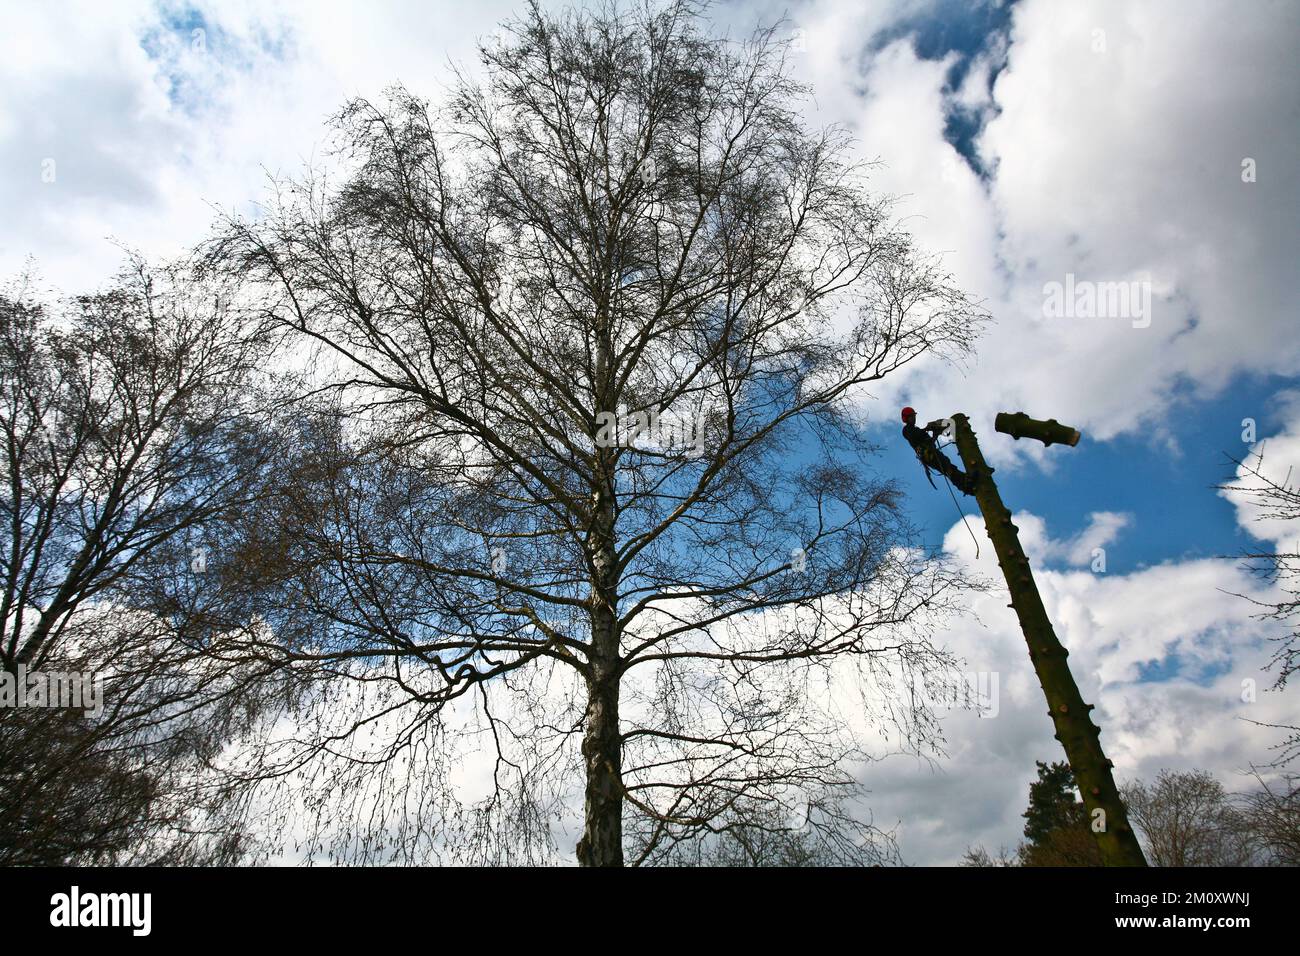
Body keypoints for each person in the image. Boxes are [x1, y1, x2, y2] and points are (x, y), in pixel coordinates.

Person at [901, 406, 976, 495]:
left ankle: (966, 484)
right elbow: (915, 435)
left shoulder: (915, 429)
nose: (914, 418)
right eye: (911, 416)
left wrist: (933, 432)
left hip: (931, 452)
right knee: (946, 466)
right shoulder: (906, 430)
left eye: (914, 416)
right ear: (906, 418)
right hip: (927, 455)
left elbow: (928, 440)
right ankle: (965, 483)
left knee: (947, 464)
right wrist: (928, 428)